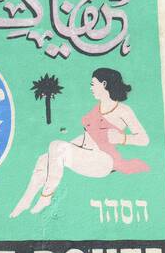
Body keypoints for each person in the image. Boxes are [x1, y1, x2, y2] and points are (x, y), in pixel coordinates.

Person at [11, 67, 150, 217]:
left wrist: (122, 138)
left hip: (104, 161)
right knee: (44, 159)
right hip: (87, 155)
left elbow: (144, 139)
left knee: (56, 147)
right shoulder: (97, 108)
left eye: (93, 83)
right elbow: (86, 137)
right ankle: (26, 200)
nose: (91, 88)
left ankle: (46, 197)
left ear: (104, 84)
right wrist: (59, 151)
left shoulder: (123, 110)